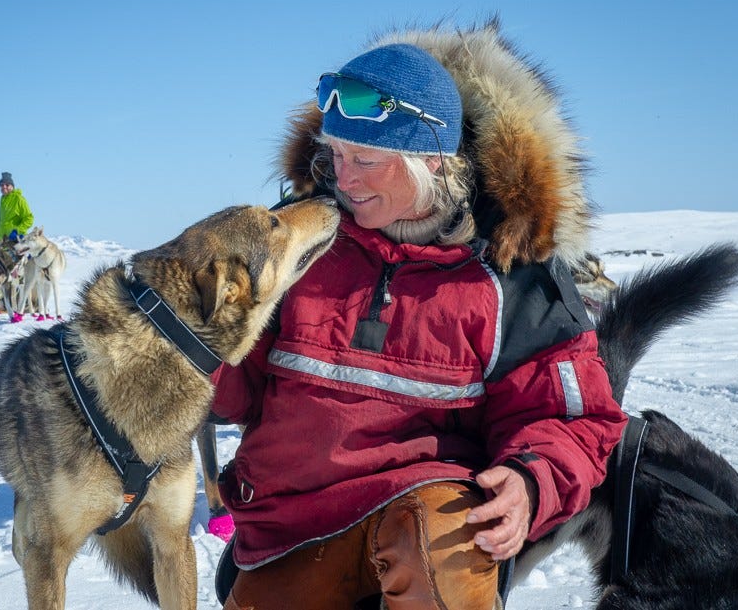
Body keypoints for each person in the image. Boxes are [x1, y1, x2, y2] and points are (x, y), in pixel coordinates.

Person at [210, 31, 627, 610]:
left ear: (431, 158)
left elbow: (572, 417)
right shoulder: (295, 244)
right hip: (289, 525)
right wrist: (194, 349)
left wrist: (532, 480)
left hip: (427, 509)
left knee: (442, 554)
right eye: (333, 155)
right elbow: (238, 393)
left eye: (366, 160)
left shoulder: (509, 273)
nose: (343, 178)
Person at [0, 171, 34, 243]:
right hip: (3, 240)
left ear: (12, 186)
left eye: (7, 185)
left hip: (16, 239)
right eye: (1, 185)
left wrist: (17, 231)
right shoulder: (3, 199)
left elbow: (29, 218)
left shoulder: (19, 199)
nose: (4, 187)